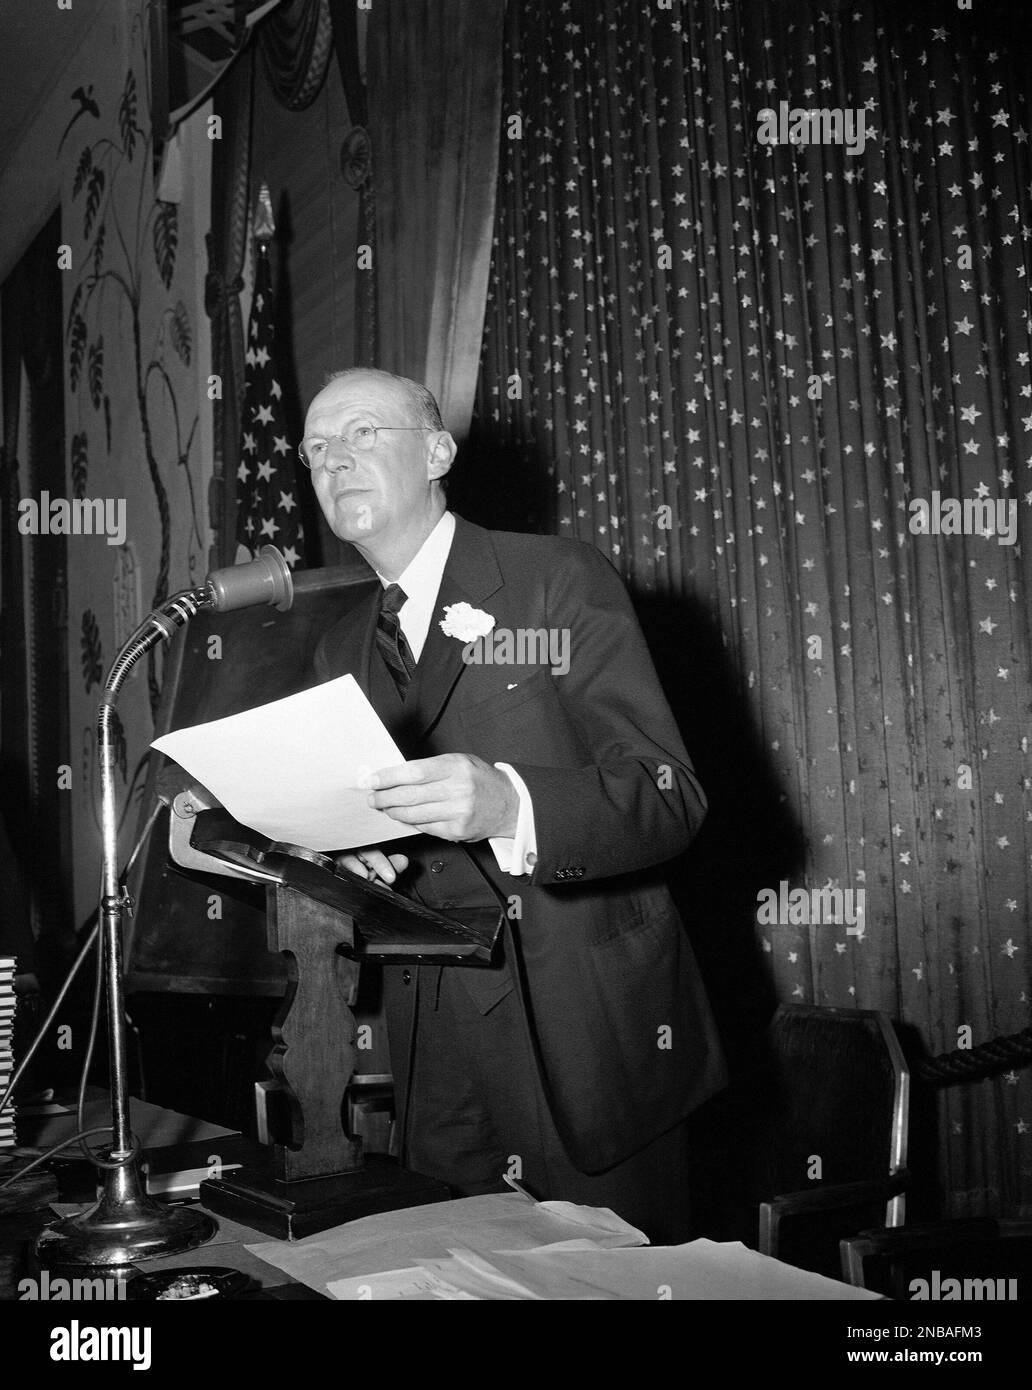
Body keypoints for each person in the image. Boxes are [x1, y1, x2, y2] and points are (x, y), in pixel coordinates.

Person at [306, 368, 725, 1242]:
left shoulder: (555, 578)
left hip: (585, 1029)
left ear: (438, 452)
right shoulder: (336, 647)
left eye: (360, 434)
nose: (333, 459)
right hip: (430, 1039)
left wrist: (512, 805)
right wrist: (349, 852)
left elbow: (668, 796)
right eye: (315, 449)